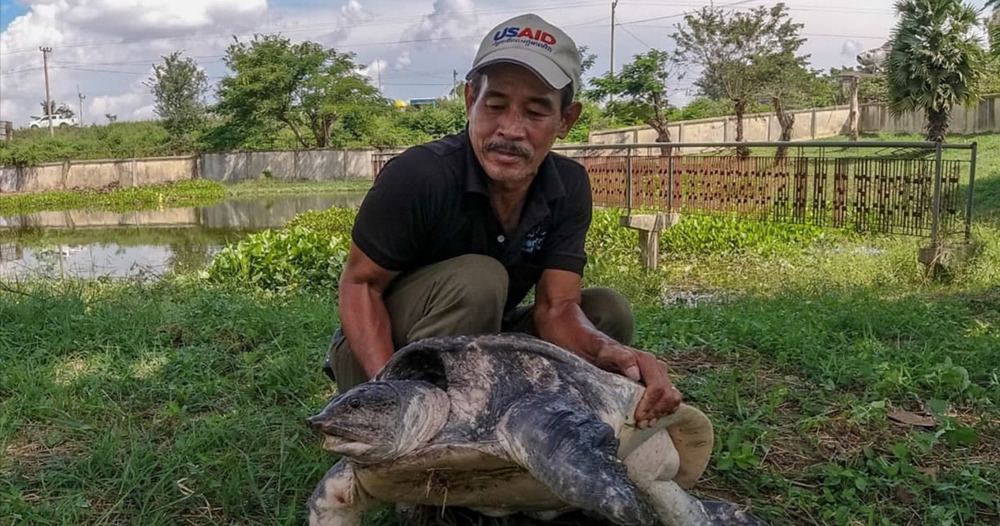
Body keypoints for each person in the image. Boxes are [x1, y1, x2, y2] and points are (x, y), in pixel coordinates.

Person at [326, 13, 681, 428]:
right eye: (495, 105)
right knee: (480, 279)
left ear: (566, 120)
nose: (510, 129)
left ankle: (535, 423)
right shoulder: (420, 175)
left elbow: (557, 306)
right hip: (378, 356)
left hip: (478, 343)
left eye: (536, 111)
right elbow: (360, 286)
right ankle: (431, 429)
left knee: (607, 312)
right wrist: (389, 392)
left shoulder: (567, 185)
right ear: (470, 101)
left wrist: (605, 349)